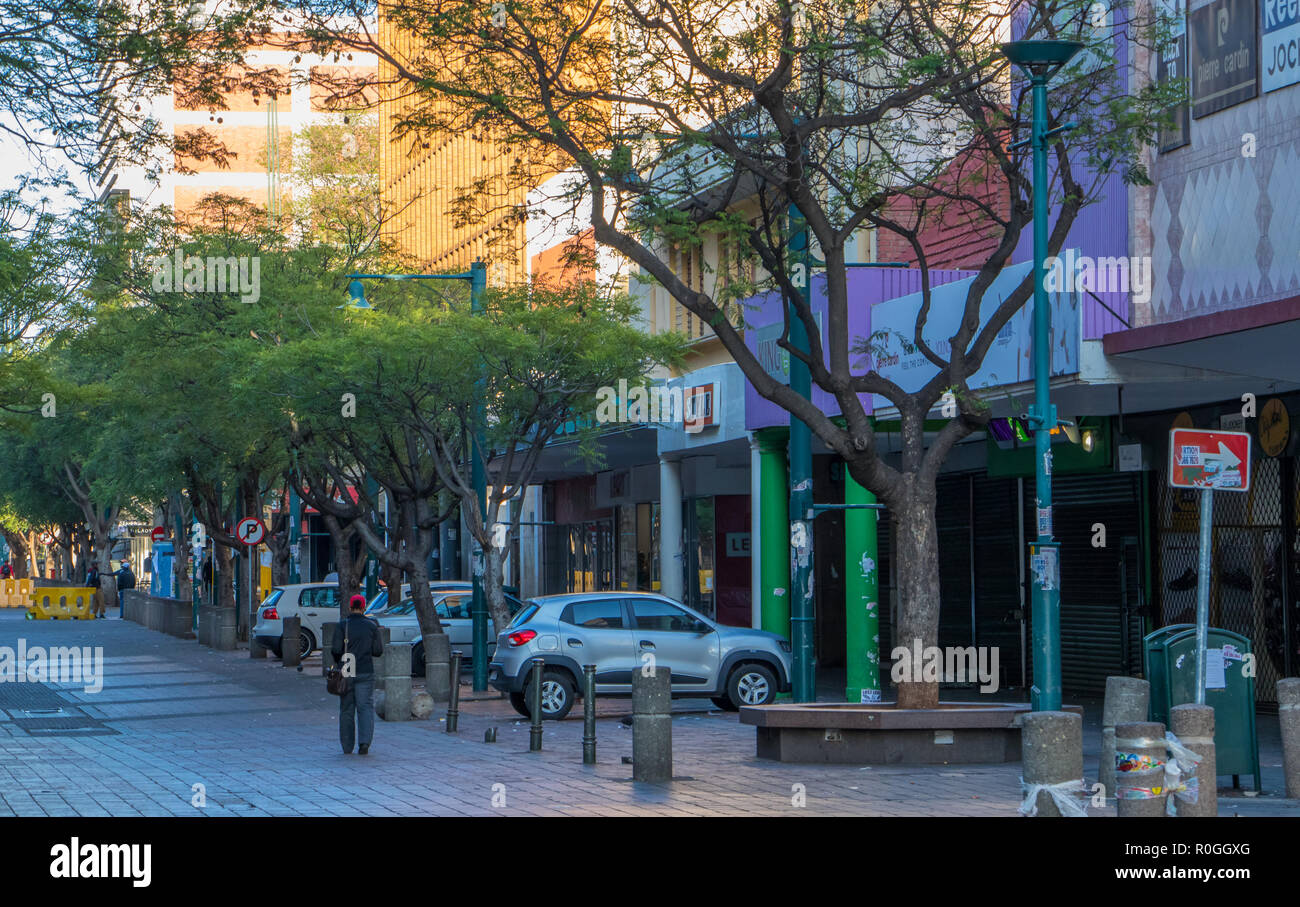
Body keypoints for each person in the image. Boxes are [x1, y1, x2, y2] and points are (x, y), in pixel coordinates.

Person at [331, 593, 384, 755]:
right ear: (363, 607)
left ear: (350, 607)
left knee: (347, 708)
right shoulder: (371, 626)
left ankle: (347, 746)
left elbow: (336, 650)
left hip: (347, 669)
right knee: (365, 707)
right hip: (365, 669)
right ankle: (364, 743)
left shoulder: (342, 626)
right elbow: (378, 651)